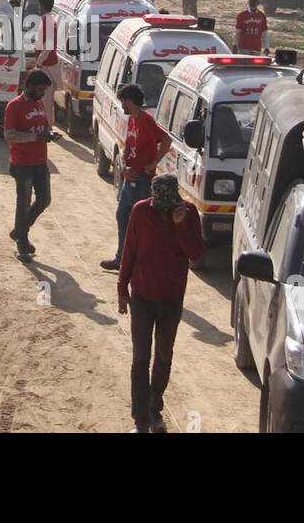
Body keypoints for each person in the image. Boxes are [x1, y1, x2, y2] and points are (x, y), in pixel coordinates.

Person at [118, 173, 204, 433]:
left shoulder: (189, 214)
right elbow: (129, 250)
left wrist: (180, 226)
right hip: (142, 296)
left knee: (163, 356)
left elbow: (196, 253)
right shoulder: (140, 211)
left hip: (171, 299)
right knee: (140, 358)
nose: (166, 213)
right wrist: (122, 288)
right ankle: (141, 420)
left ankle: (155, 406)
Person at [102, 84, 173, 271]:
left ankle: (138, 262)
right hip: (130, 178)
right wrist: (125, 165)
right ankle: (121, 259)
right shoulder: (132, 121)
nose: (122, 106)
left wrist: (153, 163)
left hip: (142, 180)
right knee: (123, 216)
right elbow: (127, 147)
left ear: (129, 100)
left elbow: (166, 141)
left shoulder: (145, 120)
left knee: (139, 222)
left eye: (122, 102)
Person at [3, 70, 61, 261]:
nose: (42, 93)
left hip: (40, 161)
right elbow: (10, 134)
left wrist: (49, 134)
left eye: (44, 90)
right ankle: (21, 243)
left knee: (44, 200)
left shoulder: (39, 104)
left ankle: (20, 231)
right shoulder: (14, 106)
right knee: (23, 203)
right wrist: (36, 137)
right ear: (28, 86)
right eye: (39, 89)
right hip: (22, 163)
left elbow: (44, 127)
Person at [34, 0, 61, 124]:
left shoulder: (48, 21)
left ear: (43, 7)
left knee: (45, 100)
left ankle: (47, 126)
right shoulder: (48, 20)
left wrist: (39, 62)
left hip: (47, 65)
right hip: (46, 64)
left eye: (40, 7)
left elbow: (48, 46)